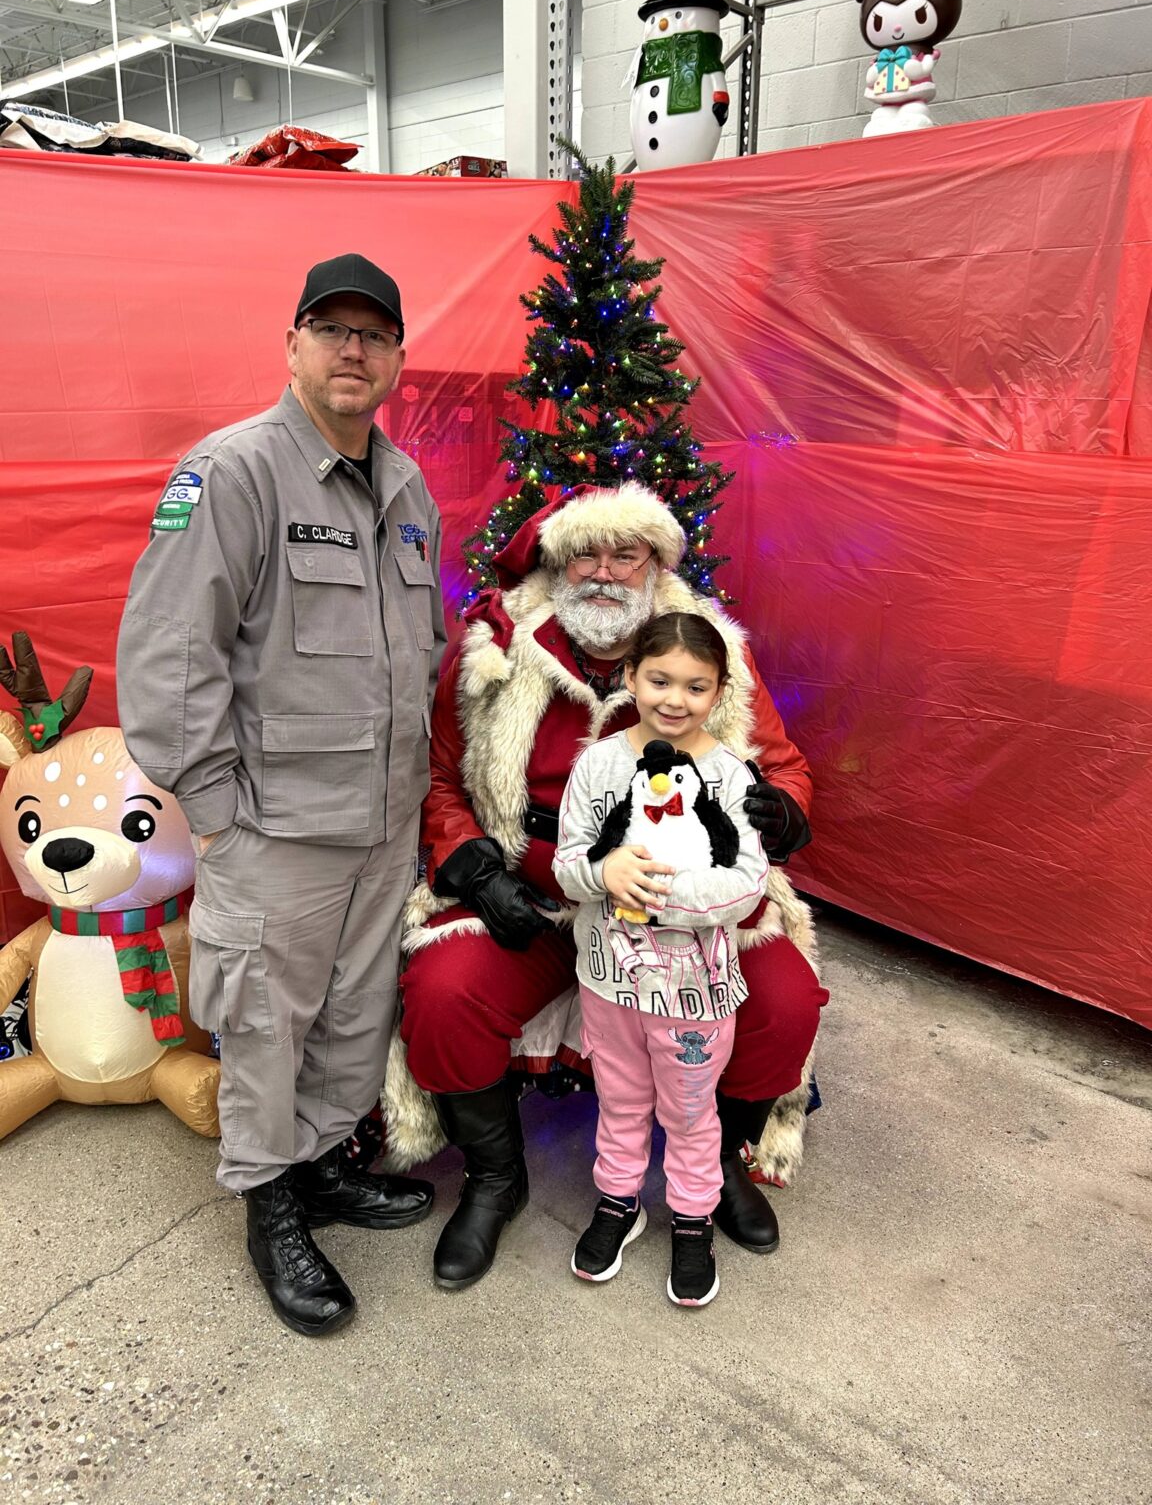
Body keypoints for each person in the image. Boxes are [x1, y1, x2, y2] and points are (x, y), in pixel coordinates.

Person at [117, 252, 447, 1336]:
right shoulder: (232, 474)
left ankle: (316, 1168)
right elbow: (171, 658)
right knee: (266, 1021)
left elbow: (422, 650)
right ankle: (268, 1204)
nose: (354, 349)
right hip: (274, 830)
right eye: (332, 328)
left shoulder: (406, 490)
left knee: (353, 1019)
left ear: (397, 358)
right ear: (293, 345)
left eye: (374, 333)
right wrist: (216, 813)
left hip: (380, 824)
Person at [394, 482, 828, 1292]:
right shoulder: (494, 647)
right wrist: (475, 868)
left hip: (683, 912)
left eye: (624, 553)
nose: (603, 571)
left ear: (655, 561)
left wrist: (785, 810)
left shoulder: (706, 654)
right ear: (556, 562)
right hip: (534, 895)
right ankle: (495, 1179)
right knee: (445, 995)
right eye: (583, 552)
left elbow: (787, 765)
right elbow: (440, 775)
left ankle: (719, 1163)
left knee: (785, 1003)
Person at [554, 612, 770, 1307]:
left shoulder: (733, 777)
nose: (674, 699)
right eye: (659, 680)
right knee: (618, 1101)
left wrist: (659, 896)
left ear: (719, 692)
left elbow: (747, 882)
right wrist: (603, 873)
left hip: (693, 995)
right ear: (629, 678)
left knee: (687, 1110)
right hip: (610, 984)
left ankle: (692, 1215)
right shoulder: (599, 764)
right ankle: (619, 1203)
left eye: (695, 686)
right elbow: (567, 865)